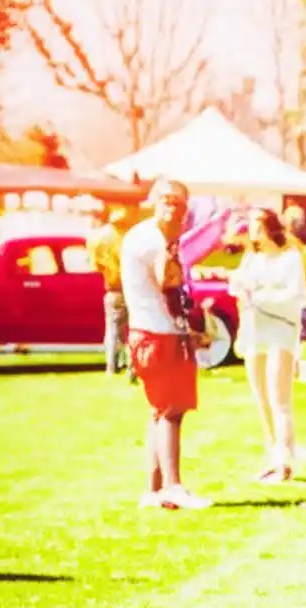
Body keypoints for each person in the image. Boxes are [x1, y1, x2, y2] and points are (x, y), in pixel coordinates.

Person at [122, 179, 211, 510]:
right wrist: (190, 327)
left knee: (160, 412)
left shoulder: (148, 235)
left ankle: (154, 488)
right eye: (166, 200)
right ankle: (173, 486)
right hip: (160, 333)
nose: (173, 208)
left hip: (149, 331)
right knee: (172, 411)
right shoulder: (153, 240)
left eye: (180, 203)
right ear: (152, 201)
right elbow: (168, 283)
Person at [228, 208, 306, 482]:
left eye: (257, 225)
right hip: (254, 332)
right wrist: (242, 289)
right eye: (250, 225)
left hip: (280, 331)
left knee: (279, 399)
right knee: (261, 398)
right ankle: (272, 455)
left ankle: (285, 460)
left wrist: (258, 295)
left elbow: (295, 295)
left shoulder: (290, 258)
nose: (253, 231)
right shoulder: (252, 258)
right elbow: (237, 288)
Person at [87, 206, 134, 379]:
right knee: (133, 330)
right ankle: (132, 367)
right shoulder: (128, 237)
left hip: (112, 288)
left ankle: (111, 367)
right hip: (130, 288)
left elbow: (95, 264)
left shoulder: (98, 238)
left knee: (112, 330)